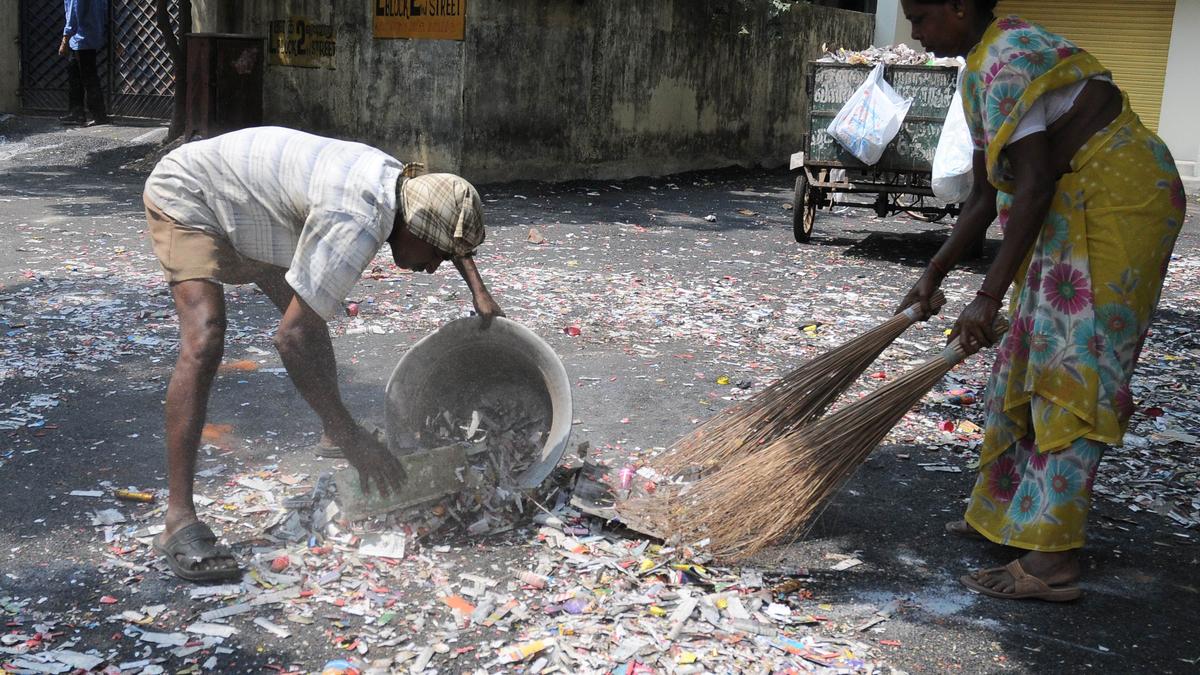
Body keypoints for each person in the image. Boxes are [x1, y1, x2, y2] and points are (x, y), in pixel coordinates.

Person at [896, 0, 1186, 601]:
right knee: (1025, 360)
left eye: (922, 18)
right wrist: (933, 273)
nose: (915, 33)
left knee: (1073, 371)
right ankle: (1009, 518)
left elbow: (1032, 187)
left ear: (958, 6)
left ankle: (1053, 562)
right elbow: (984, 196)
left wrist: (985, 297)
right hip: (1074, 197)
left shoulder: (1007, 58)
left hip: (1120, 198)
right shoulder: (979, 68)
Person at [142, 126, 505, 581]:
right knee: (207, 337)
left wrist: (479, 291)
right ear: (416, 228)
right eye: (435, 255)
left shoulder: (403, 188)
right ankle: (178, 520)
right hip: (193, 193)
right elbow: (288, 342)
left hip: (256, 208)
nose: (433, 266)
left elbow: (442, 212)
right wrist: (357, 439)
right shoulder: (356, 220)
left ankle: (335, 434)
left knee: (310, 314)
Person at [60, 0, 110, 126]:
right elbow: (105, 12)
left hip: (80, 38)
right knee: (76, 75)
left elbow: (73, 14)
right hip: (91, 36)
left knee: (88, 78)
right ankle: (77, 113)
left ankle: (98, 115)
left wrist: (65, 39)